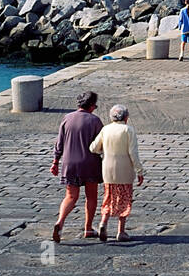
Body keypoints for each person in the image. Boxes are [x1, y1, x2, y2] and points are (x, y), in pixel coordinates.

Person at [49, 90, 105, 242]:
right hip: (90, 163)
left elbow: (59, 143)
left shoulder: (67, 118)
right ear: (92, 105)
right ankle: (88, 228)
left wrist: (55, 162)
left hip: (69, 163)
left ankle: (60, 222)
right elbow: (102, 144)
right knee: (91, 196)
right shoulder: (95, 121)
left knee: (71, 196)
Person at [89, 104, 145, 242]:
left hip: (108, 170)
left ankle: (103, 223)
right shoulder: (128, 130)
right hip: (125, 170)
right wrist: (140, 170)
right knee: (124, 199)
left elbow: (93, 148)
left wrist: (104, 151)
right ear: (126, 117)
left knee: (109, 197)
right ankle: (121, 231)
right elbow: (133, 153)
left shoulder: (105, 129)